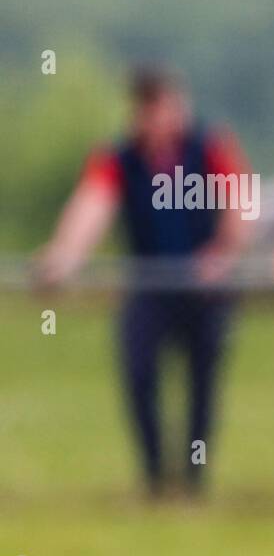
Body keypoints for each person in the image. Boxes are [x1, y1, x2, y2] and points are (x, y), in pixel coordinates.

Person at [33, 65, 251, 498]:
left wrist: (221, 256)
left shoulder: (209, 147)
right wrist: (63, 257)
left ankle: (193, 481)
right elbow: (92, 207)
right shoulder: (120, 157)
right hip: (149, 287)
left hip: (204, 289)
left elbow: (240, 203)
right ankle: (154, 477)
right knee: (138, 373)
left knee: (202, 385)